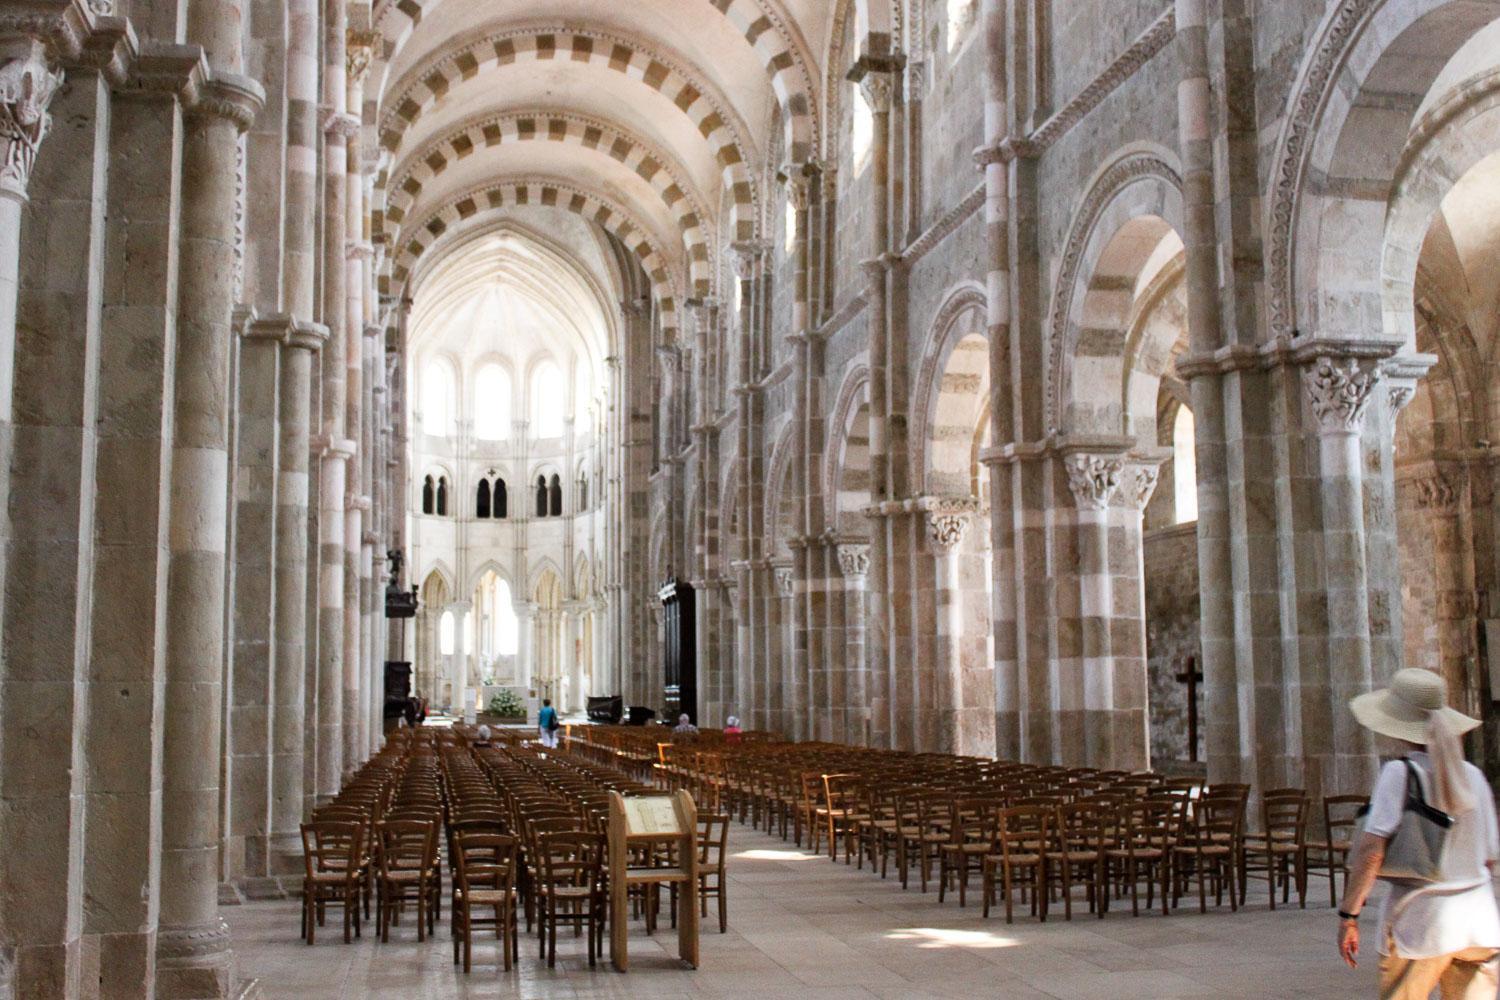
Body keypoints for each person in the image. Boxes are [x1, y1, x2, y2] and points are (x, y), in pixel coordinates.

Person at [1337, 667, 1500, 999]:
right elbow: (1489, 857)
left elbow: (1372, 852)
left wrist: (1348, 914)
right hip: (1479, 925)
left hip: (1420, 923)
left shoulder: (1400, 774)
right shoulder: (1474, 777)